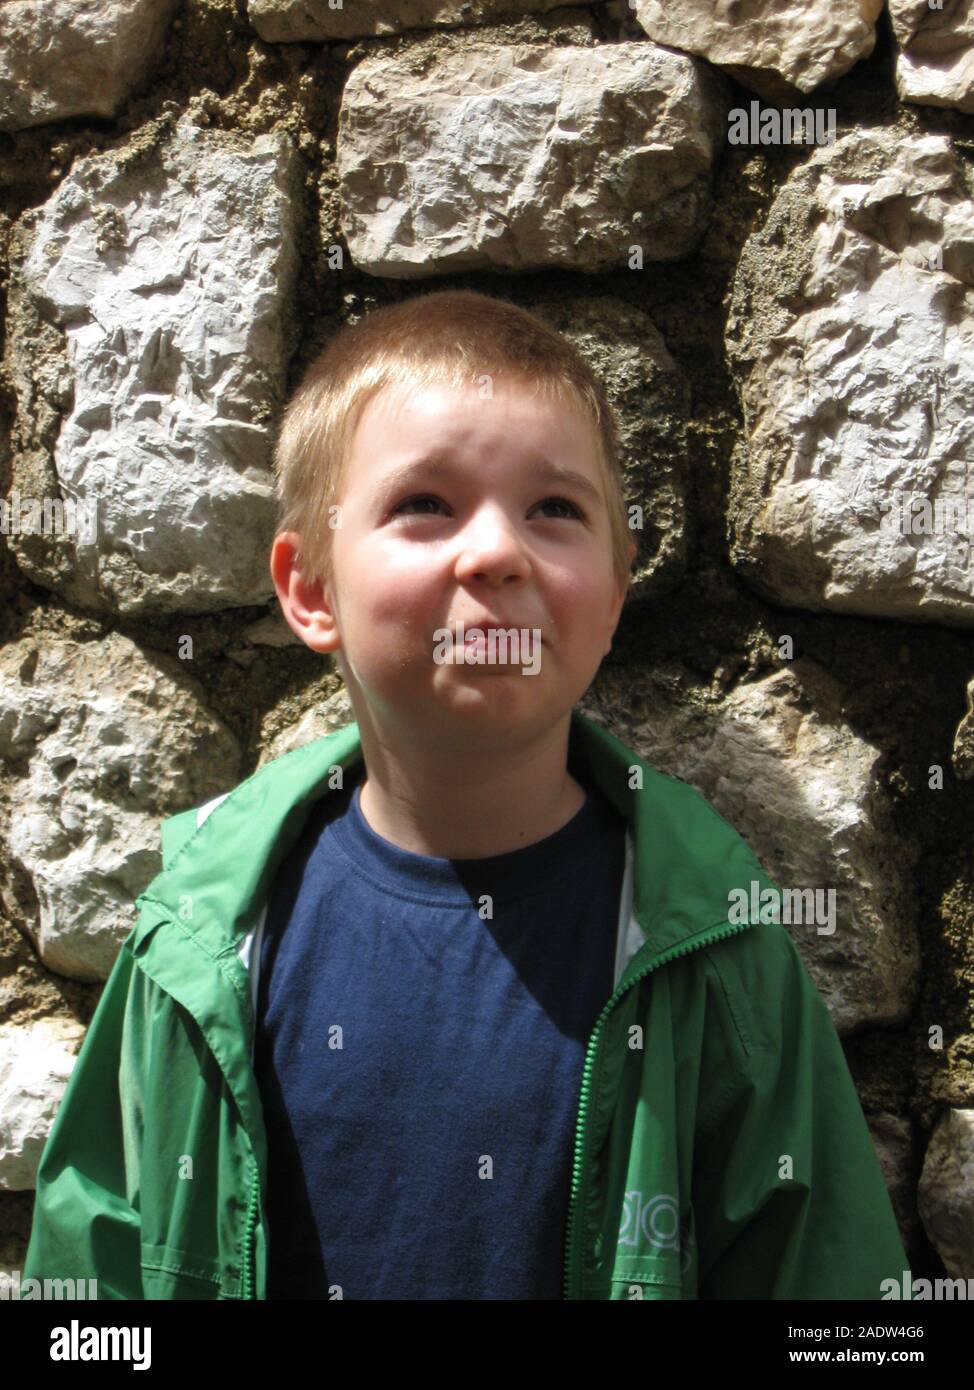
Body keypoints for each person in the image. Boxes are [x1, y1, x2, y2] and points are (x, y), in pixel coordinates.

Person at [24, 289, 911, 1299]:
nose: (494, 552)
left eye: (554, 510)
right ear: (311, 587)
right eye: (424, 505)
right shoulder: (194, 939)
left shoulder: (717, 947)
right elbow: (89, 1283)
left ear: (615, 591)